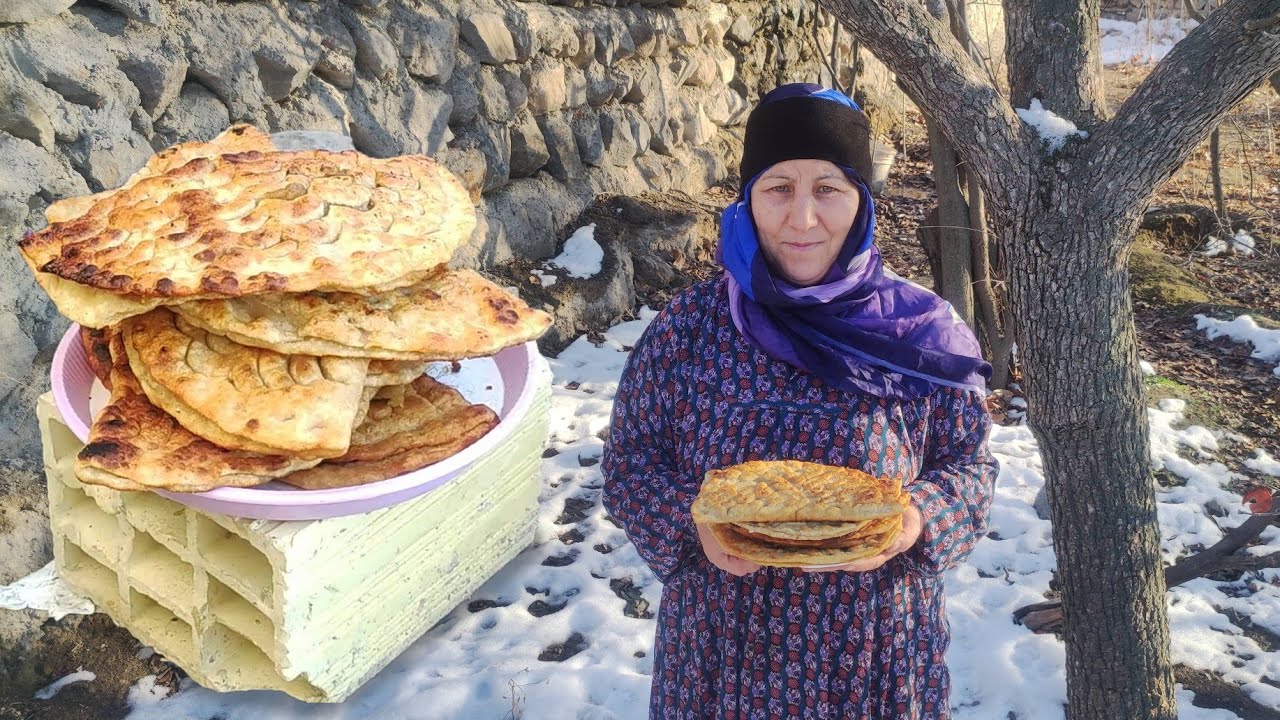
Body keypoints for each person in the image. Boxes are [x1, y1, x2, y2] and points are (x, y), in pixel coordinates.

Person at [601, 83, 999, 719]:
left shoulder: (920, 336)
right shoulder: (689, 328)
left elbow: (970, 466)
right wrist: (692, 524)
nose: (804, 218)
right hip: (721, 659)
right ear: (748, 200)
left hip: (873, 658)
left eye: (829, 189)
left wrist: (917, 517)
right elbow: (631, 463)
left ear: (862, 200)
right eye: (779, 187)